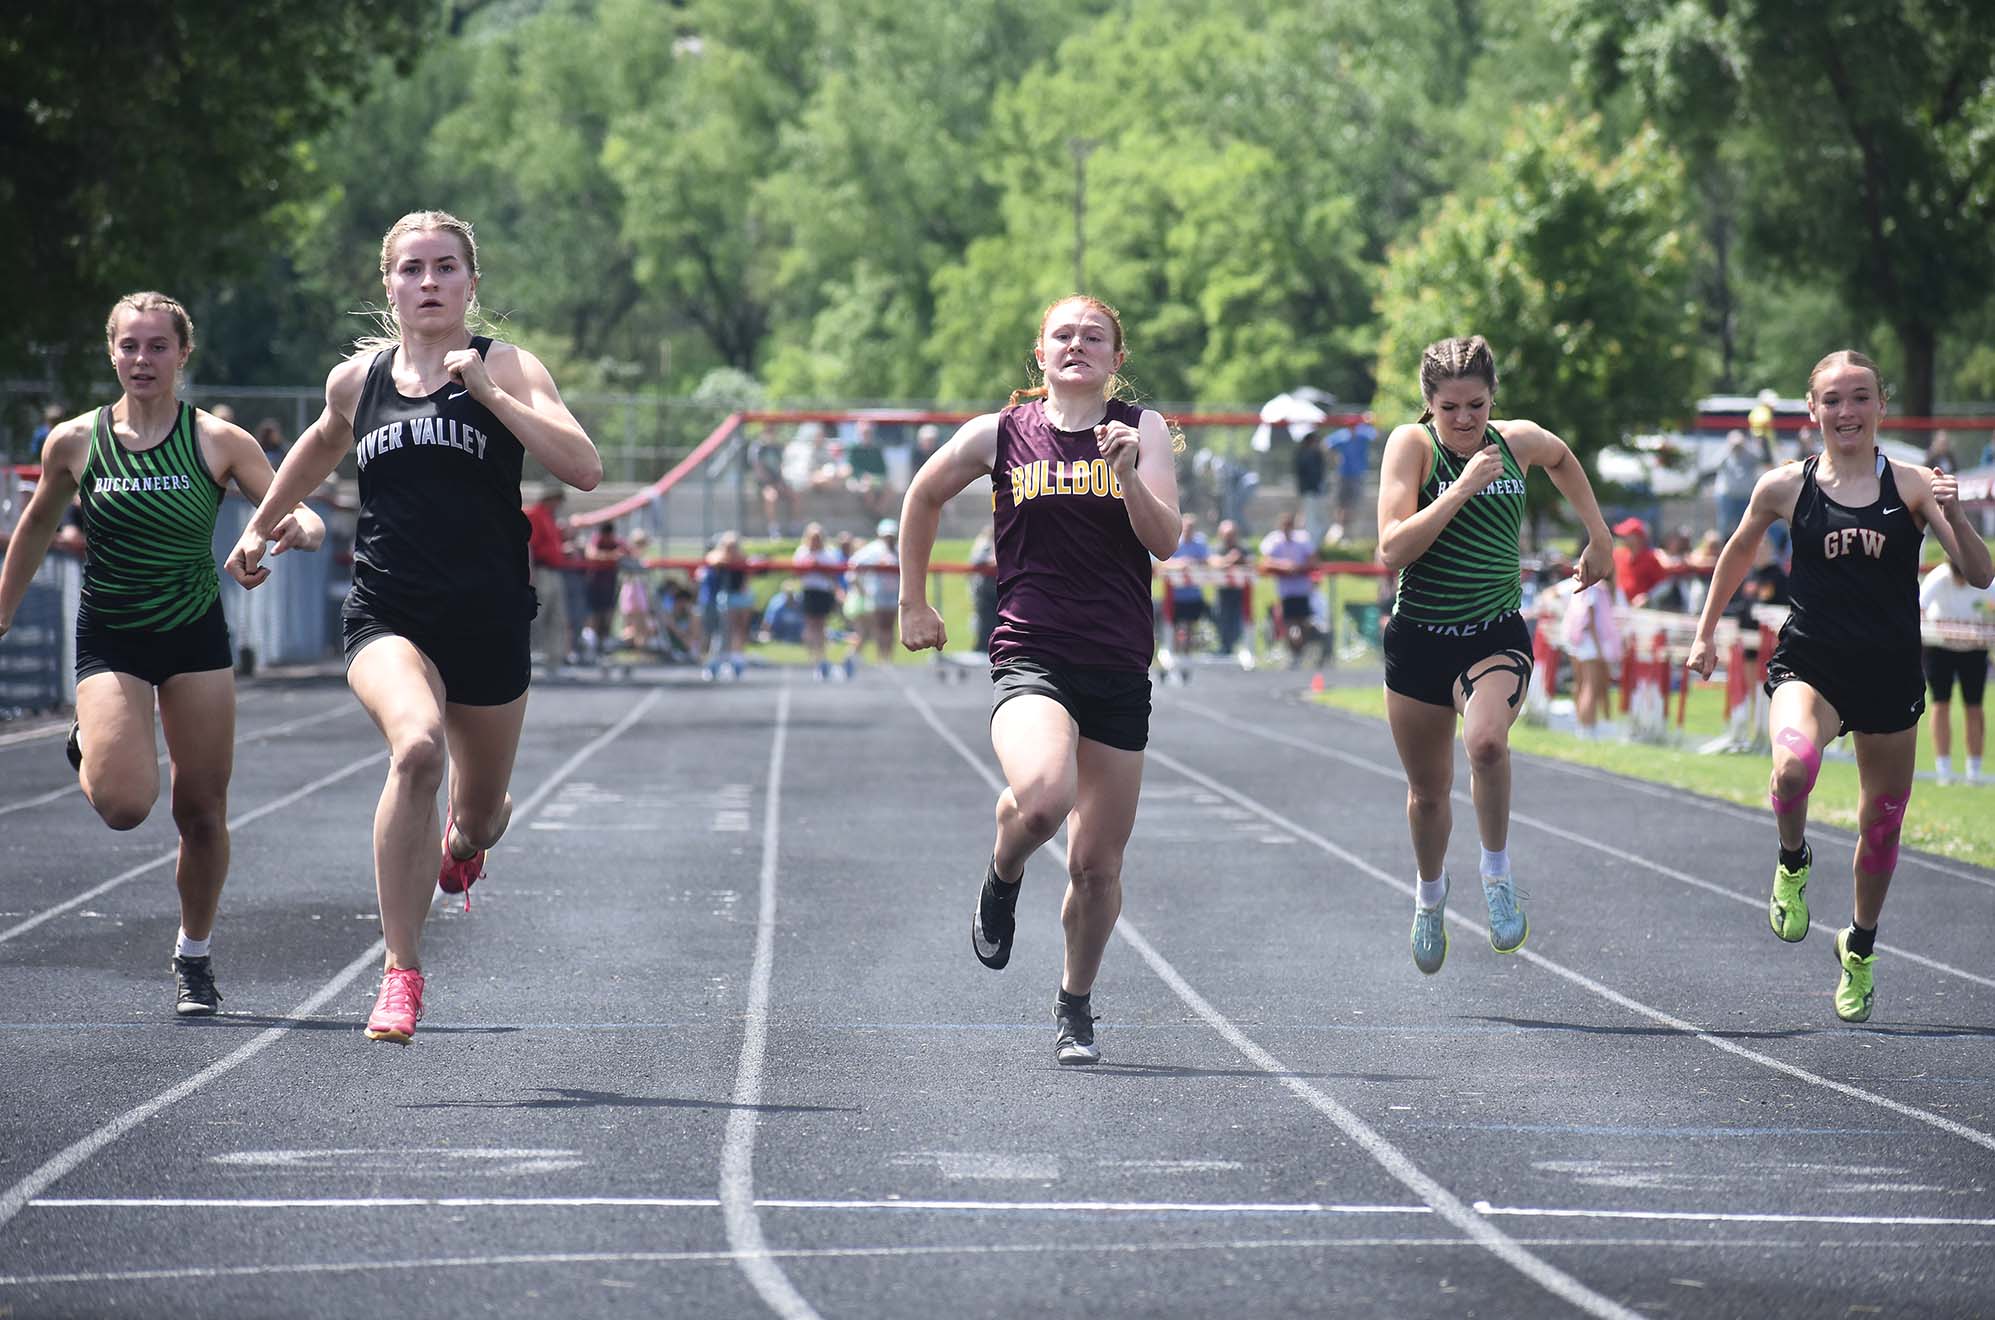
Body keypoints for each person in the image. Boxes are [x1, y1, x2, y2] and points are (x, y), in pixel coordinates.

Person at [227, 210, 601, 1045]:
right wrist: (263, 524)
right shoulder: (357, 382)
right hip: (389, 611)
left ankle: (465, 842)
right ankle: (400, 972)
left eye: (444, 267)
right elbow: (321, 445)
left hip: (491, 620)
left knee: (479, 817)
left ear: (471, 282)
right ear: (387, 286)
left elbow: (583, 468)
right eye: (411, 269)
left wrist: (491, 395)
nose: (428, 282)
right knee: (418, 747)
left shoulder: (506, 365)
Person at [0, 292, 325, 1016]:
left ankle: (195, 956)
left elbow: (291, 507)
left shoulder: (218, 441)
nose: (141, 360)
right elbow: (32, 530)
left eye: (157, 347)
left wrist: (295, 529)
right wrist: (2, 613)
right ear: (110, 353)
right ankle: (92, 740)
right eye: (129, 346)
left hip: (195, 638)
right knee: (123, 805)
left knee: (202, 812)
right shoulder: (75, 443)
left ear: (183, 354)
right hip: (112, 635)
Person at [896, 294, 1180, 1065]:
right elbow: (921, 494)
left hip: (1119, 663)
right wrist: (912, 600)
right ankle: (1004, 866)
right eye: (1064, 335)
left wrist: (1126, 477)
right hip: (1032, 653)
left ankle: (1074, 1004)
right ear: (1040, 353)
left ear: (1117, 360)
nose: (1078, 345)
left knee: (1097, 868)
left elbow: (1165, 541)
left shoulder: (1142, 429)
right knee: (1048, 798)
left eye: (1095, 337)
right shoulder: (1001, 433)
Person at [1687, 349, 1991, 1023]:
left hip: (1887, 679)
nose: (1846, 410)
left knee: (1879, 826)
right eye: (1832, 399)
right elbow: (1737, 551)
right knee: (1792, 769)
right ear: (1812, 409)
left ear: (1880, 406)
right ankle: (1792, 861)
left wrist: (1959, 516)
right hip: (1810, 669)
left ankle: (1858, 946)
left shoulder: (1912, 485)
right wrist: (1704, 632)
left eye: (1859, 397)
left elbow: (1979, 573)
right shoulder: (1782, 487)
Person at [1376, 335, 1613, 976]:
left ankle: (1497, 872)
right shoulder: (1413, 446)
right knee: (1428, 794)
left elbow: (1562, 458)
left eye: (1476, 405)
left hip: (1493, 634)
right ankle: (1430, 896)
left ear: (1493, 398)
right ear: (1429, 403)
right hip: (1420, 638)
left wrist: (1599, 534)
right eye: (1450, 407)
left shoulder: (1517, 441)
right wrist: (1460, 489)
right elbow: (1393, 549)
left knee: (1486, 744)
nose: (1464, 420)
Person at [1920, 559, 1994, 785]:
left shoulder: (1983, 578)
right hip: (1940, 647)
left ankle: (1974, 770)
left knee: (1974, 707)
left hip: (1974, 649)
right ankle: (1943, 769)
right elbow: (1919, 606)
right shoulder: (1939, 577)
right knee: (1940, 704)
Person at [1258, 509, 1318, 664]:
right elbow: (1265, 562)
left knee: (1303, 622)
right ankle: (1292, 652)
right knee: (1288, 623)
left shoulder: (1302, 539)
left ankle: (1301, 652)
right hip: (1286, 592)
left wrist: (1298, 568)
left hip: (1301, 590)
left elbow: (1313, 560)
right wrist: (1284, 566)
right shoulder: (1274, 541)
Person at [843, 518, 900, 671]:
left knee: (890, 627)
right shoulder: (873, 549)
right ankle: (881, 658)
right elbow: (854, 564)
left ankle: (888, 658)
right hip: (877, 593)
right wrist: (863, 586)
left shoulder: (899, 550)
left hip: (894, 594)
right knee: (880, 627)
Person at [525, 485, 572, 666]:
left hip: (554, 572)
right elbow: (531, 547)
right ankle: (530, 658)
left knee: (557, 617)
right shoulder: (536, 516)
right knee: (538, 616)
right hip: (542, 572)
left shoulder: (549, 518)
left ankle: (555, 661)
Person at [792, 522, 844, 679]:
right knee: (810, 625)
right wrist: (809, 566)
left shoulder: (829, 553)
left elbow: (834, 575)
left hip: (823, 592)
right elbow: (796, 572)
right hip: (809, 592)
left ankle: (821, 657)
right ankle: (812, 656)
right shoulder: (802, 552)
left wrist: (819, 567)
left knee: (821, 625)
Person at [1161, 512, 1210, 659]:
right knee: (1175, 627)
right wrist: (1179, 564)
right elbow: (1163, 562)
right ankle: (1174, 654)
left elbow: (1207, 560)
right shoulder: (1174, 542)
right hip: (1176, 595)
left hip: (1193, 594)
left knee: (1190, 627)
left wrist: (1195, 563)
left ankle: (1187, 656)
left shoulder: (1200, 543)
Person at [579, 520, 629, 663]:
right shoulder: (596, 540)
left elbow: (624, 553)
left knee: (607, 617)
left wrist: (609, 556)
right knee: (593, 617)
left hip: (610, 585)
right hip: (594, 584)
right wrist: (610, 556)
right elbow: (592, 554)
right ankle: (591, 649)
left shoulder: (616, 541)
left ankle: (604, 646)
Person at [1327, 416, 1379, 543]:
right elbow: (1327, 445)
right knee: (1342, 503)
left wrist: (1370, 423)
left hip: (1358, 475)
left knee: (1354, 503)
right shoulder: (1341, 436)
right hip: (1343, 474)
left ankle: (1350, 530)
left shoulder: (1362, 434)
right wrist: (1334, 458)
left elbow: (1376, 435)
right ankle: (1341, 528)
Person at [1612, 516, 1673, 608]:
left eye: (1627, 535)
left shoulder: (1650, 558)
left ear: (1638, 538)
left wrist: (1648, 597)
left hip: (1643, 612)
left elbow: (1665, 585)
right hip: (1619, 607)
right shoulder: (1617, 554)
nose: (1623, 538)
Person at [1209, 519, 1249, 657]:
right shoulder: (1218, 549)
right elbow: (1213, 562)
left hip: (1240, 594)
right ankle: (1224, 646)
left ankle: (1237, 646)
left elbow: (1251, 562)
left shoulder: (1243, 548)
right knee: (1221, 618)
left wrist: (1239, 559)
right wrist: (1230, 560)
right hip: (1223, 592)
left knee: (1238, 621)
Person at [1714, 428, 1763, 536]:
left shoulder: (1749, 454)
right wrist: (1729, 448)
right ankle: (1722, 546)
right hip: (1727, 496)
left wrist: (1745, 445)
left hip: (1744, 496)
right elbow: (1715, 464)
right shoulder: (1726, 453)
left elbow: (1760, 457)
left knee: (1743, 526)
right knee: (1724, 524)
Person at [1292, 426, 1328, 549]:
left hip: (1314, 492)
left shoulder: (1313, 455)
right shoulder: (1306, 455)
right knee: (1312, 522)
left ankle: (1314, 547)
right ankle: (1312, 548)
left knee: (1319, 522)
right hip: (1310, 492)